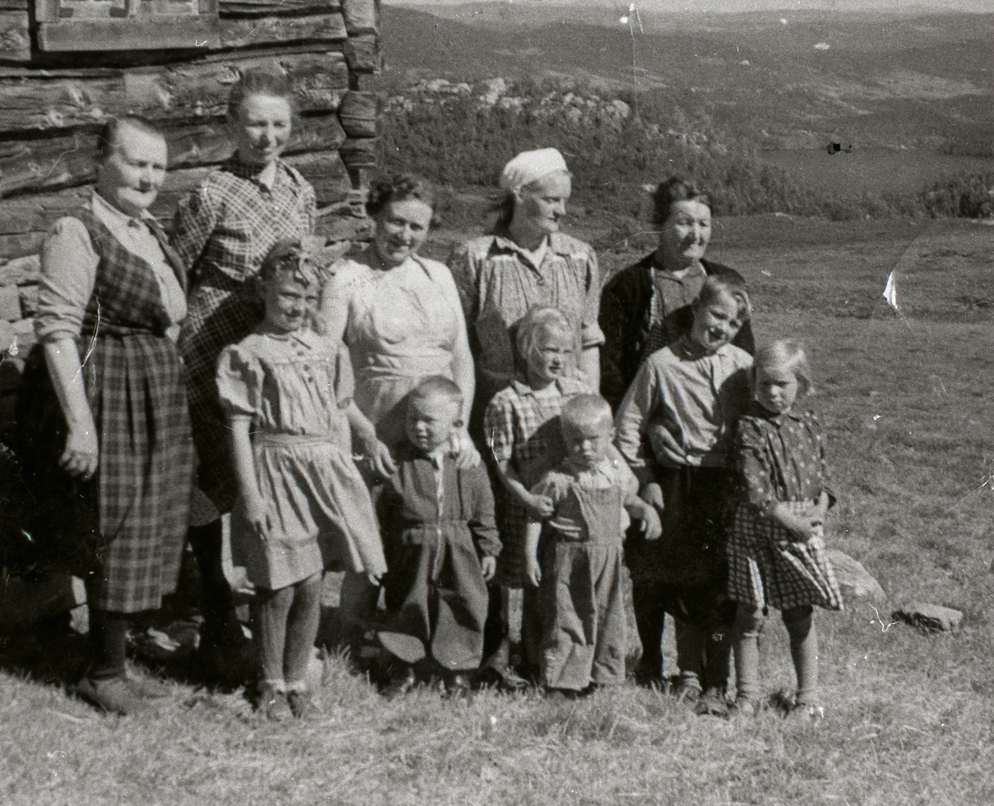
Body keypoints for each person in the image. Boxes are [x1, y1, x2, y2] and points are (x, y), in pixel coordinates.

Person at [19, 116, 195, 715]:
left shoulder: (148, 231)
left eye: (158, 166)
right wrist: (81, 423)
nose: (149, 176)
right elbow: (57, 332)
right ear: (102, 160)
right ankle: (102, 672)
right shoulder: (78, 231)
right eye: (136, 161)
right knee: (112, 524)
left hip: (149, 390)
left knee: (145, 523)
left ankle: (115, 663)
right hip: (106, 389)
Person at [170, 68, 317, 655]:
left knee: (272, 472)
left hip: (274, 354)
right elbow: (176, 268)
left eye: (278, 124)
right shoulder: (210, 191)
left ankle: (270, 602)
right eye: (255, 123)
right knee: (214, 475)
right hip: (212, 347)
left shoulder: (301, 190)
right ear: (232, 124)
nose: (267, 136)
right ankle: (213, 603)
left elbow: (303, 274)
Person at [217, 240, 391, 720]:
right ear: (263, 291)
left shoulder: (326, 349)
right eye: (286, 296)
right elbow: (237, 427)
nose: (297, 308)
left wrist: (368, 434)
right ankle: (269, 682)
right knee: (279, 583)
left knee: (313, 582)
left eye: (306, 298)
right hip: (276, 470)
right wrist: (249, 494)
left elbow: (340, 405)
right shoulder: (247, 353)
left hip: (323, 469)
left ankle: (298, 681)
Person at [318, 174, 478, 642]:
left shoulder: (440, 276)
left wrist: (459, 425)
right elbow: (326, 369)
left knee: (430, 537)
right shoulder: (345, 277)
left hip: (438, 429)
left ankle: (421, 636)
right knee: (369, 541)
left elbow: (462, 357)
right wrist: (364, 433)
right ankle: (351, 638)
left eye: (417, 227)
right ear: (374, 215)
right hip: (374, 426)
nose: (404, 236)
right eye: (395, 222)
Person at [614, 276, 754, 717]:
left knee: (717, 585)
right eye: (716, 315)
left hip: (722, 485)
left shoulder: (743, 365)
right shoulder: (661, 363)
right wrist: (644, 476)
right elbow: (627, 424)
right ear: (695, 308)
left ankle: (714, 680)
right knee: (654, 571)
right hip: (673, 480)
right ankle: (654, 663)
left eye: (733, 323)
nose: (722, 328)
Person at [727, 340, 842, 721]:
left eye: (783, 385)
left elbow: (824, 479)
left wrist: (819, 513)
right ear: (753, 384)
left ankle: (806, 699)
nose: (773, 393)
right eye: (764, 385)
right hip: (760, 525)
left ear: (802, 385)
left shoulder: (810, 426)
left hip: (801, 526)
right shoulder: (749, 427)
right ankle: (747, 696)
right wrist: (791, 520)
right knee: (750, 612)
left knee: (799, 612)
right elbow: (754, 486)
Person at [483, 307, 597, 687]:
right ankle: (525, 658)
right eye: (549, 350)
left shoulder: (578, 390)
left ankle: (562, 657)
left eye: (565, 352)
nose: (558, 360)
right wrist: (526, 499)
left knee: (559, 583)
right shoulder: (506, 402)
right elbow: (503, 465)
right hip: (527, 507)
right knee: (528, 582)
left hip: (569, 509)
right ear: (526, 347)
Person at [450, 147, 604, 418]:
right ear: (520, 194)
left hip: (568, 415)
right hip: (499, 414)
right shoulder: (477, 258)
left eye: (565, 201)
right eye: (552, 200)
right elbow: (458, 345)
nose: (562, 211)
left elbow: (589, 340)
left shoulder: (579, 257)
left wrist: (591, 412)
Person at [525, 395, 661, 694]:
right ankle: (564, 681)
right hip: (569, 558)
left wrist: (647, 511)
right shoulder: (558, 479)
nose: (584, 448)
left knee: (608, 614)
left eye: (592, 440)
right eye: (575, 441)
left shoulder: (613, 475)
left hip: (609, 558)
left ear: (610, 437)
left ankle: (602, 675)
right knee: (567, 616)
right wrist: (530, 556)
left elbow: (629, 501)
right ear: (564, 439)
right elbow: (535, 515)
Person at [375, 378, 500, 697]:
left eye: (428, 420)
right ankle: (403, 669)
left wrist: (488, 548)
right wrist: (376, 553)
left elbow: (484, 509)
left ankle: (456, 672)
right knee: (407, 602)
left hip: (459, 548)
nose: (418, 427)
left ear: (456, 424)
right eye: (412, 419)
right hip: (411, 548)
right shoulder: (399, 463)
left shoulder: (468, 465)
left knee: (462, 603)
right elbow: (382, 512)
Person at [599, 177, 755, 412]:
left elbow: (745, 354)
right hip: (649, 410)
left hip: (718, 411)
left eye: (704, 224)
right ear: (660, 225)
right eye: (684, 223)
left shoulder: (726, 280)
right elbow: (611, 370)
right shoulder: (628, 285)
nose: (696, 235)